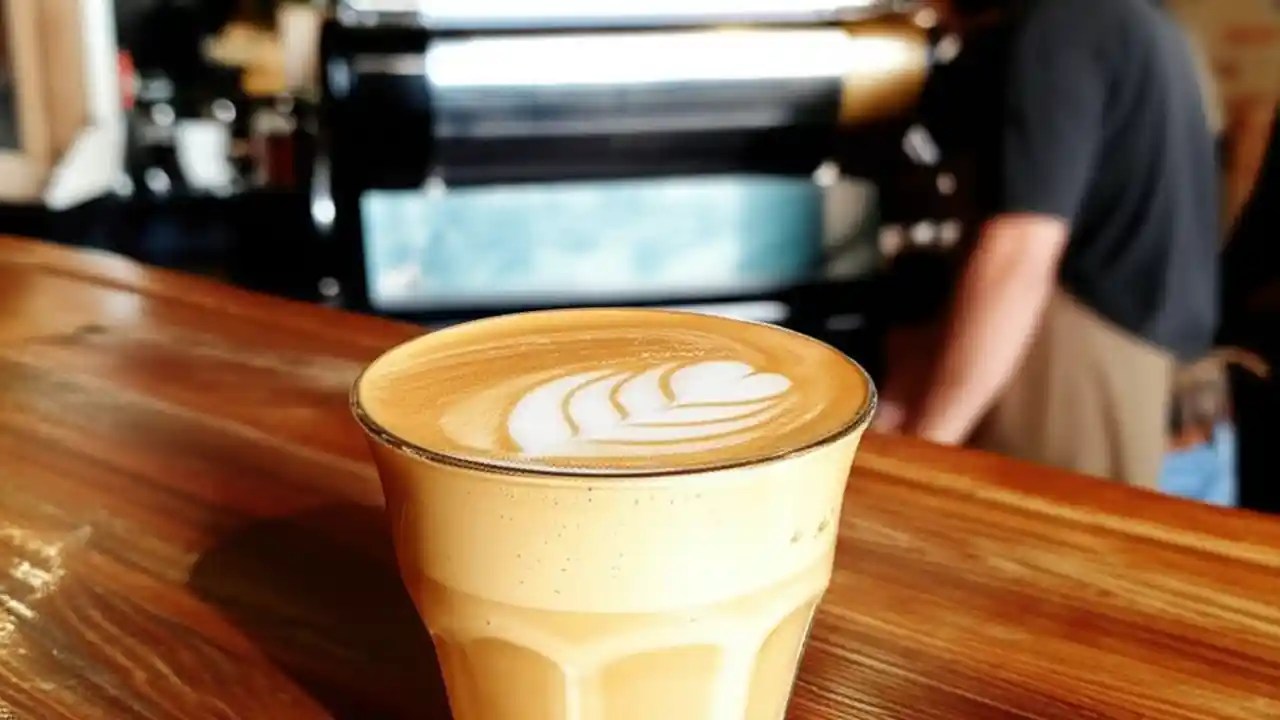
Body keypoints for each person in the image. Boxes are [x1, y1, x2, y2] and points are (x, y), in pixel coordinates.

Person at [876, 0, 1220, 490]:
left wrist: (928, 442)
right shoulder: (1140, 19)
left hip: (1077, 357)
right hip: (1156, 360)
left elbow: (1023, 245)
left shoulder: (1060, 27)